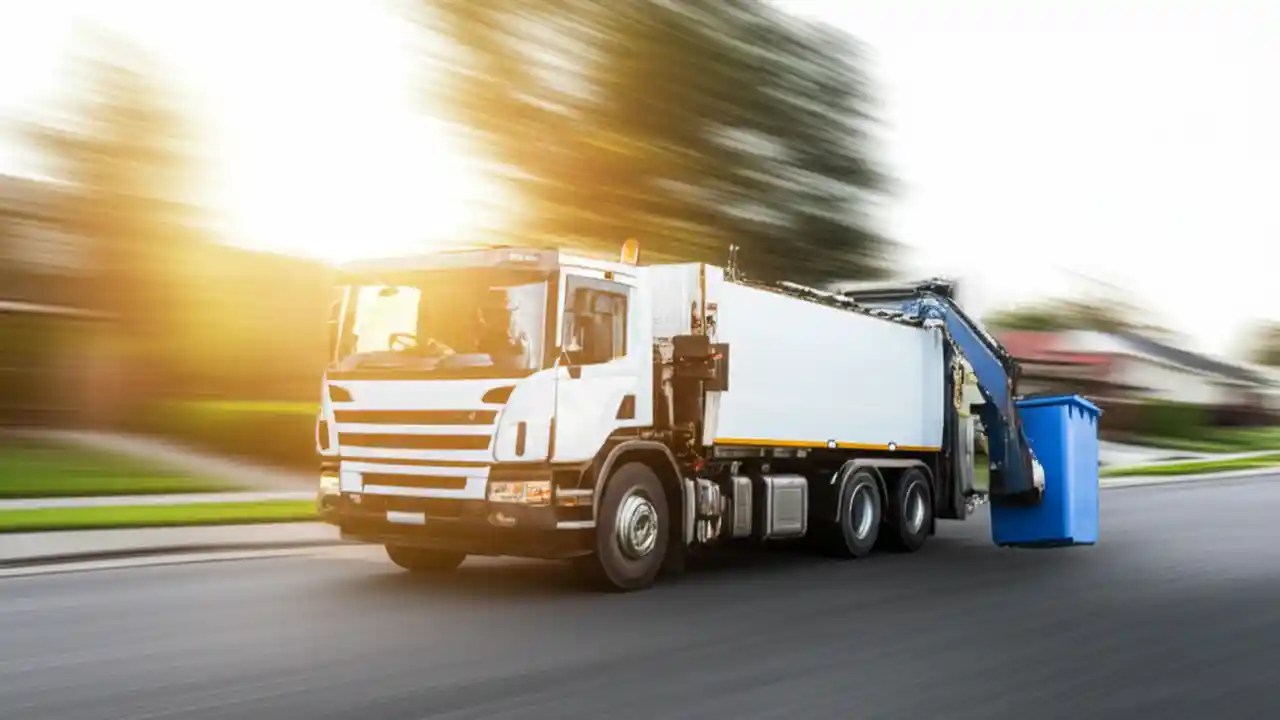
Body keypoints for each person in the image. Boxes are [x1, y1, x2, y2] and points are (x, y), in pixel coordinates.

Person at [476, 290, 529, 369]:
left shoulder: (519, 341)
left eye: (508, 312)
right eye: (501, 313)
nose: (507, 318)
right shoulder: (482, 346)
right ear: (487, 317)